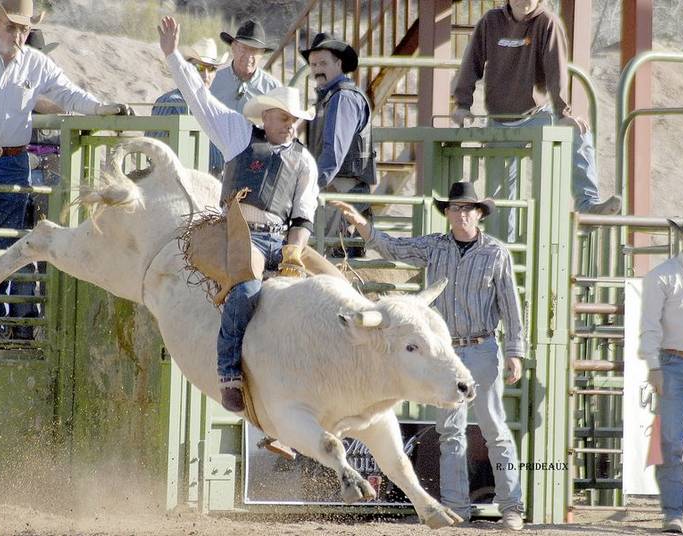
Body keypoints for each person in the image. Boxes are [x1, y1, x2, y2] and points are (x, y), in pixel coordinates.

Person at [0, 0, 130, 339]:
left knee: (3, 248)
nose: (18, 35)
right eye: (12, 26)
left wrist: (99, 107)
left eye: (23, 29)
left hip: (11, 163)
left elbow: (68, 93)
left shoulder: (37, 64)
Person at [329, 181, 527, 531]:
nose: (461, 213)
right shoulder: (435, 247)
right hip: (444, 352)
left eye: (468, 208)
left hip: (482, 347)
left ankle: (512, 507)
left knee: (494, 428)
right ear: (448, 213)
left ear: (479, 213)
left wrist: (515, 351)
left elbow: (511, 306)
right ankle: (455, 507)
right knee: (450, 431)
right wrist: (362, 225)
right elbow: (395, 248)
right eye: (455, 208)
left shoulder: (496, 253)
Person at [158, 17, 318, 413]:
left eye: (295, 121)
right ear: (267, 116)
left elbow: (304, 216)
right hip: (239, 234)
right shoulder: (238, 134)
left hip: (282, 241)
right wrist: (173, 55)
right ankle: (229, 374)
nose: (291, 126)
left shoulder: (305, 162)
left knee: (323, 293)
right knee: (245, 291)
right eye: (285, 119)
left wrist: (295, 253)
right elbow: (199, 98)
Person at [452, 0, 621, 240]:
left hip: (536, 115)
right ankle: (504, 247)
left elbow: (556, 70)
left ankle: (588, 206)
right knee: (501, 196)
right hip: (500, 119)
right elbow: (471, 63)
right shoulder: (491, 22)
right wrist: (462, 104)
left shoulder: (546, 23)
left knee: (577, 131)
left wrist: (564, 112)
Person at [641, 207, 683, 534]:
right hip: (672, 363)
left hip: (675, 363)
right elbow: (650, 327)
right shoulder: (662, 276)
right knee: (671, 440)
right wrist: (654, 366)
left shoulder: (661, 275)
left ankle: (675, 512)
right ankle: (673, 513)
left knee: (671, 439)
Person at [301, 33, 375, 258]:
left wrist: (309, 187)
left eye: (323, 63)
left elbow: (333, 153)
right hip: (337, 189)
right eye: (313, 64)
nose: (317, 69)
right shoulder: (332, 96)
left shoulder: (342, 98)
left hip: (338, 190)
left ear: (339, 64)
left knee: (327, 260)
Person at [209, 19, 281, 173]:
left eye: (255, 51)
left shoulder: (273, 88)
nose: (249, 55)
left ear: (262, 54)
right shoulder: (213, 81)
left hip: (252, 167)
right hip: (212, 161)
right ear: (233, 47)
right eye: (244, 48)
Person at [149, 37, 227, 176]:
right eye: (200, 67)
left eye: (211, 68)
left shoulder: (215, 107)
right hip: (176, 184)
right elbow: (155, 153)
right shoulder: (170, 103)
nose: (206, 75)